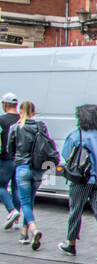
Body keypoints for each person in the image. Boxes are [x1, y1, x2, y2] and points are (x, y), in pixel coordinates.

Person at [58, 104, 97, 261]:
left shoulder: (76, 135)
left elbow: (66, 154)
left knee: (75, 211)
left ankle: (71, 244)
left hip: (81, 179)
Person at [9, 101, 59, 249]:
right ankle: (24, 234)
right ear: (34, 111)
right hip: (38, 168)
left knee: (24, 201)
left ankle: (33, 228)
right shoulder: (41, 126)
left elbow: (9, 149)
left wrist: (17, 158)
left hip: (22, 167)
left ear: (20, 111)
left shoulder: (15, 128)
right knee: (30, 200)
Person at [0, 92, 20, 228]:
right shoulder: (22, 119)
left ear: (5, 104)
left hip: (5, 159)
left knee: (1, 187)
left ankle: (12, 211)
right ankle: (16, 220)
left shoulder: (1, 120)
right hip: (21, 160)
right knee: (16, 189)